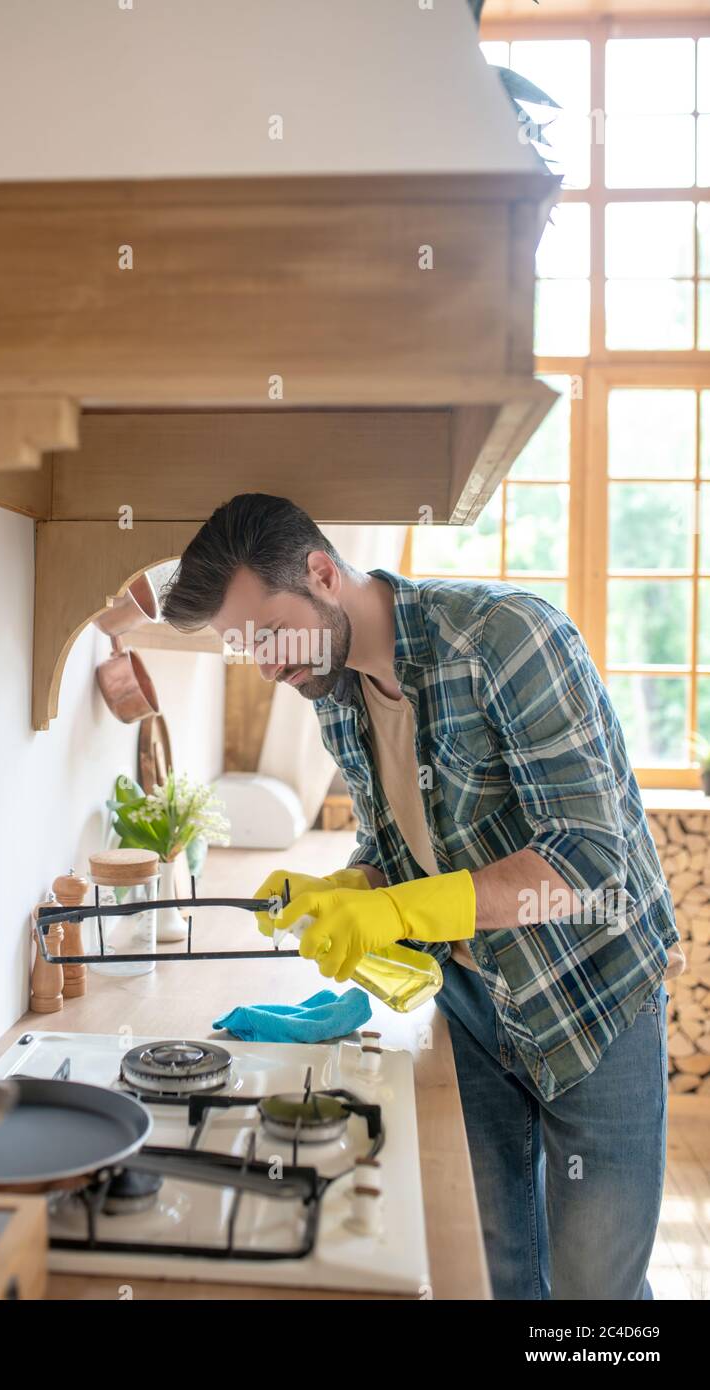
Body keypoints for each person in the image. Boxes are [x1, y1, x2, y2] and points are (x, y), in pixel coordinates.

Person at [161, 492, 683, 1301]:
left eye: (266, 634)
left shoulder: (507, 639)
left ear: (323, 573)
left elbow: (585, 865)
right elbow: (399, 851)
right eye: (244, 649)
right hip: (475, 1004)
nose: (265, 665)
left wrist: (399, 912)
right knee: (498, 1272)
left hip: (591, 1001)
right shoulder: (335, 696)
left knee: (596, 1291)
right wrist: (350, 886)